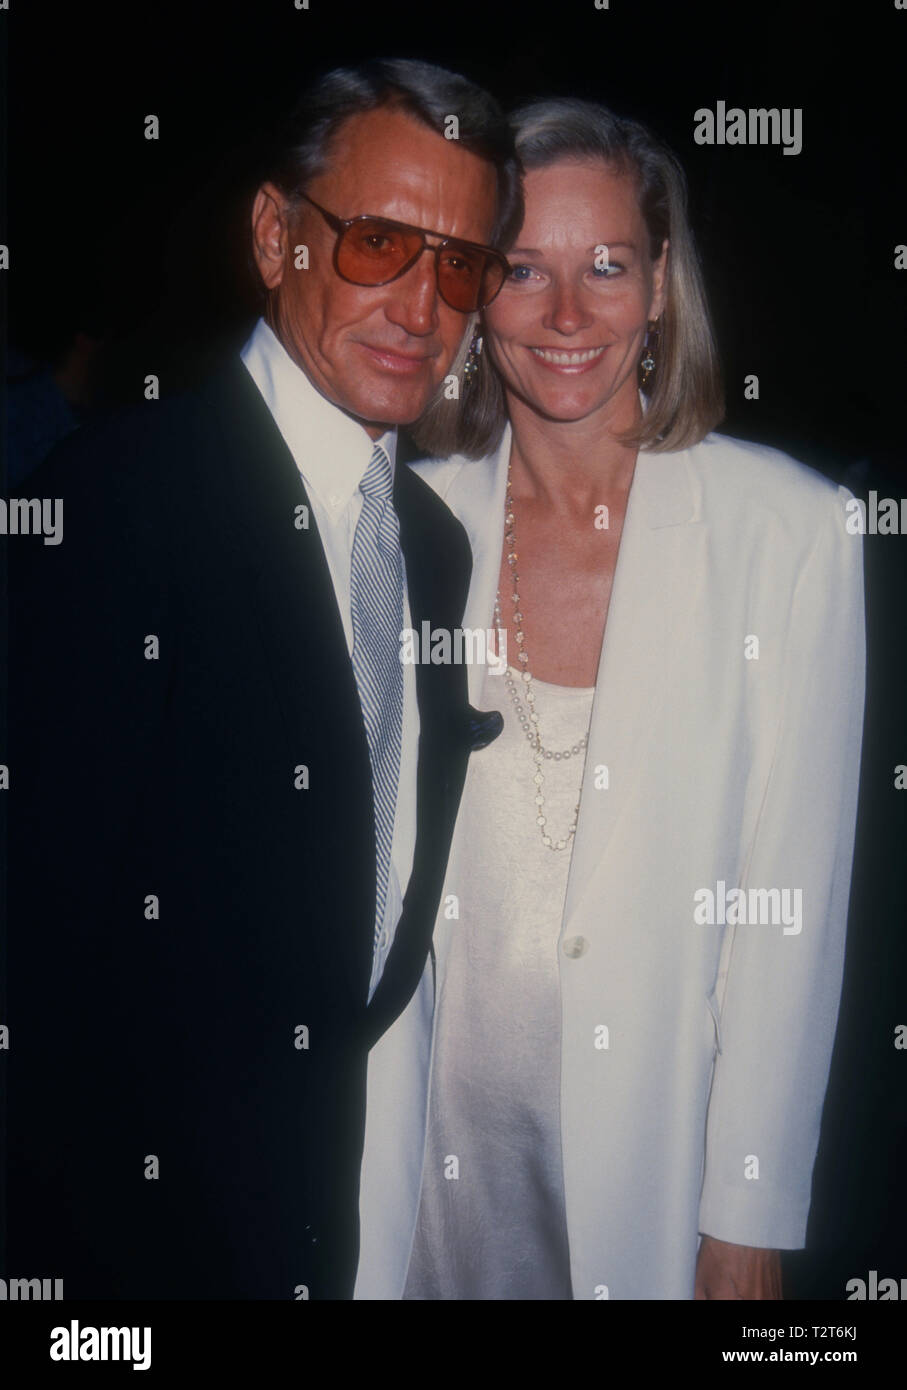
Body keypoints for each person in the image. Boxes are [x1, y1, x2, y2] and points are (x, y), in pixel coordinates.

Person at [5, 59, 520, 1300]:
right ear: (275, 233)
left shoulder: (433, 552)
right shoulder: (117, 504)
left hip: (332, 1228)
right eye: (378, 242)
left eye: (459, 264)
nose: (419, 305)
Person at [354, 97, 866, 1301]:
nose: (569, 313)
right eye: (524, 268)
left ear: (661, 283)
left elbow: (791, 914)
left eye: (606, 266)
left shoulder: (788, 535)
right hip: (423, 1162)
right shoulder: (403, 519)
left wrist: (748, 1207)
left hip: (654, 1167)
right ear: (476, 290)